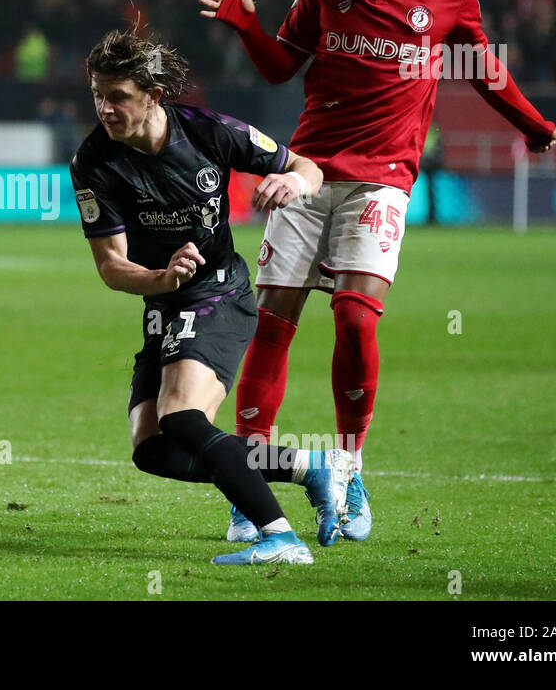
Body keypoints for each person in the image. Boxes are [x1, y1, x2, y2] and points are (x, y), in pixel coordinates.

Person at [198, 0, 556, 543]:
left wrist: (533, 125)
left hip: (383, 178)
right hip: (305, 169)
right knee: (272, 322)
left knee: (357, 319)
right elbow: (280, 68)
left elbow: (484, 70)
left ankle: (350, 465)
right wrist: (245, 25)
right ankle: (249, 488)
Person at [70, 28, 353, 566]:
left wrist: (294, 185)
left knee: (181, 416)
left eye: (118, 96)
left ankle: (279, 538)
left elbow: (306, 167)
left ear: (153, 94)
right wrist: (162, 281)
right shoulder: (93, 163)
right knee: (153, 449)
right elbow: (111, 267)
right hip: (167, 300)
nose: (105, 108)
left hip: (219, 293)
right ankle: (310, 466)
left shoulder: (208, 132)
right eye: (97, 95)